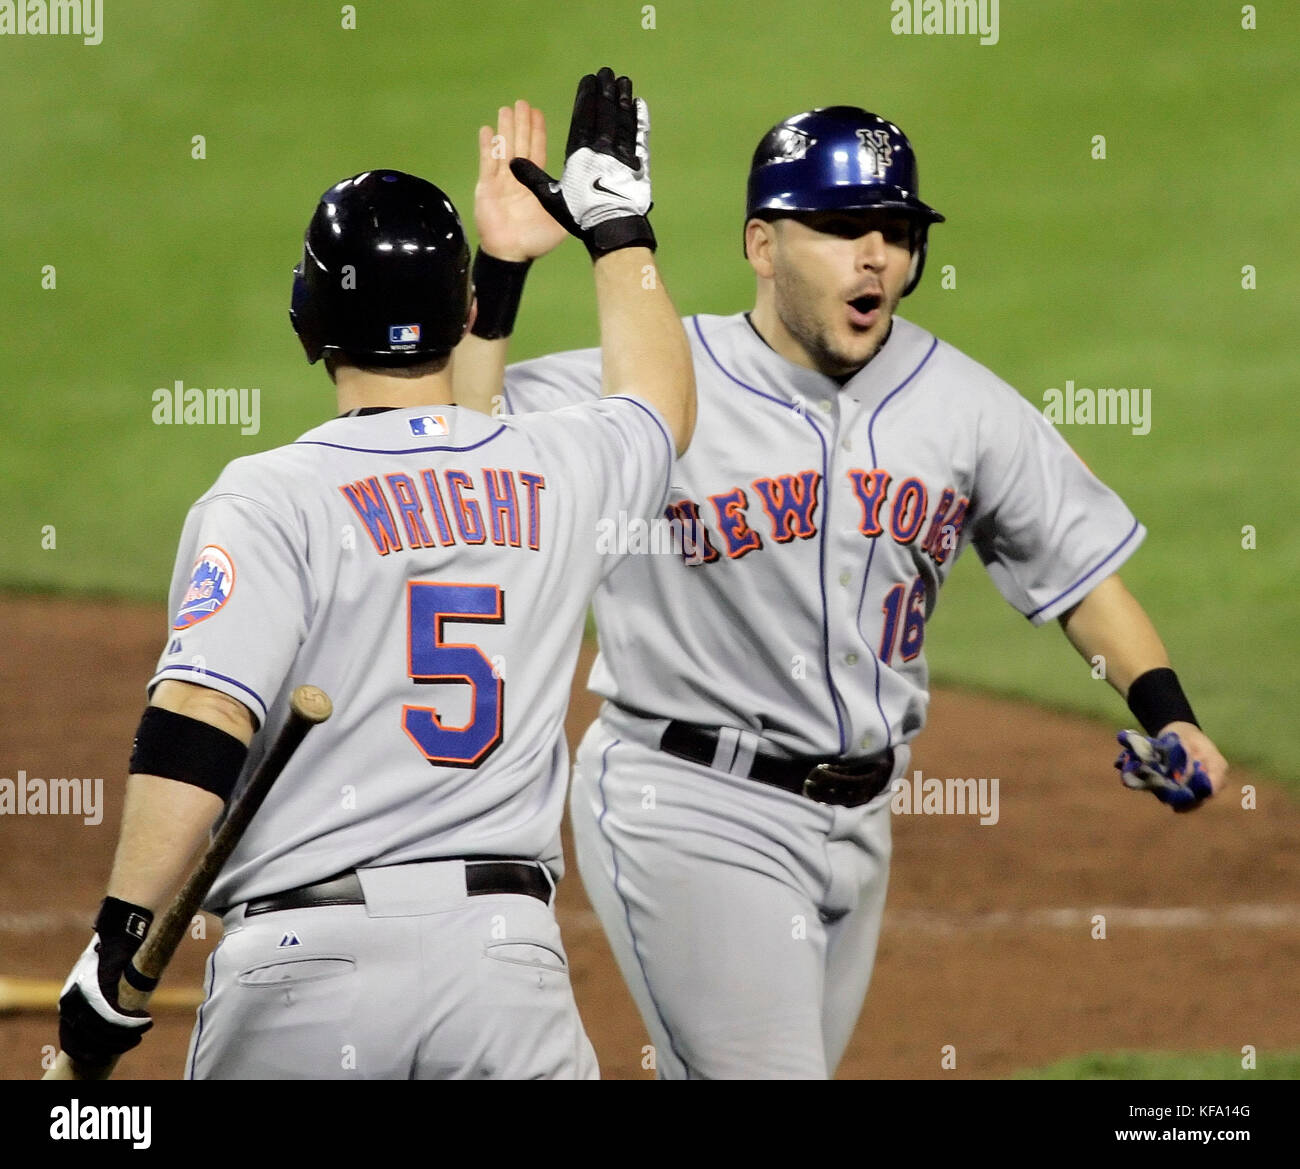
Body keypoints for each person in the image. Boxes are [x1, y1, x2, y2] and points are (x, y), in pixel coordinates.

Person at [455, 103, 1229, 1079]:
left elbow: (1077, 570)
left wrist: (1170, 712)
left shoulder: (961, 402)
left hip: (860, 818)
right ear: (762, 244)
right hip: (688, 803)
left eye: (895, 232)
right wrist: (505, 268)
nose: (874, 256)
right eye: (840, 227)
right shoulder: (659, 381)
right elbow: (461, 443)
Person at [55, 68, 695, 1080]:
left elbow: (198, 725)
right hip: (503, 974)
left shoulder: (267, 496)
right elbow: (658, 398)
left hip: (304, 976)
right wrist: (614, 224)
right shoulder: (555, 469)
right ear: (463, 307)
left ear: (308, 315)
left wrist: (119, 940)